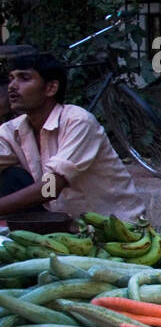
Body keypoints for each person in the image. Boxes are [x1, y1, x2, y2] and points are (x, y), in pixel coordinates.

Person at [0, 52, 146, 222]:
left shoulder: (78, 121)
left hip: (115, 227)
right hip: (65, 224)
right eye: (11, 78)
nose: (12, 86)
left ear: (51, 88)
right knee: (9, 177)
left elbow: (51, 187)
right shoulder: (13, 129)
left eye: (24, 78)